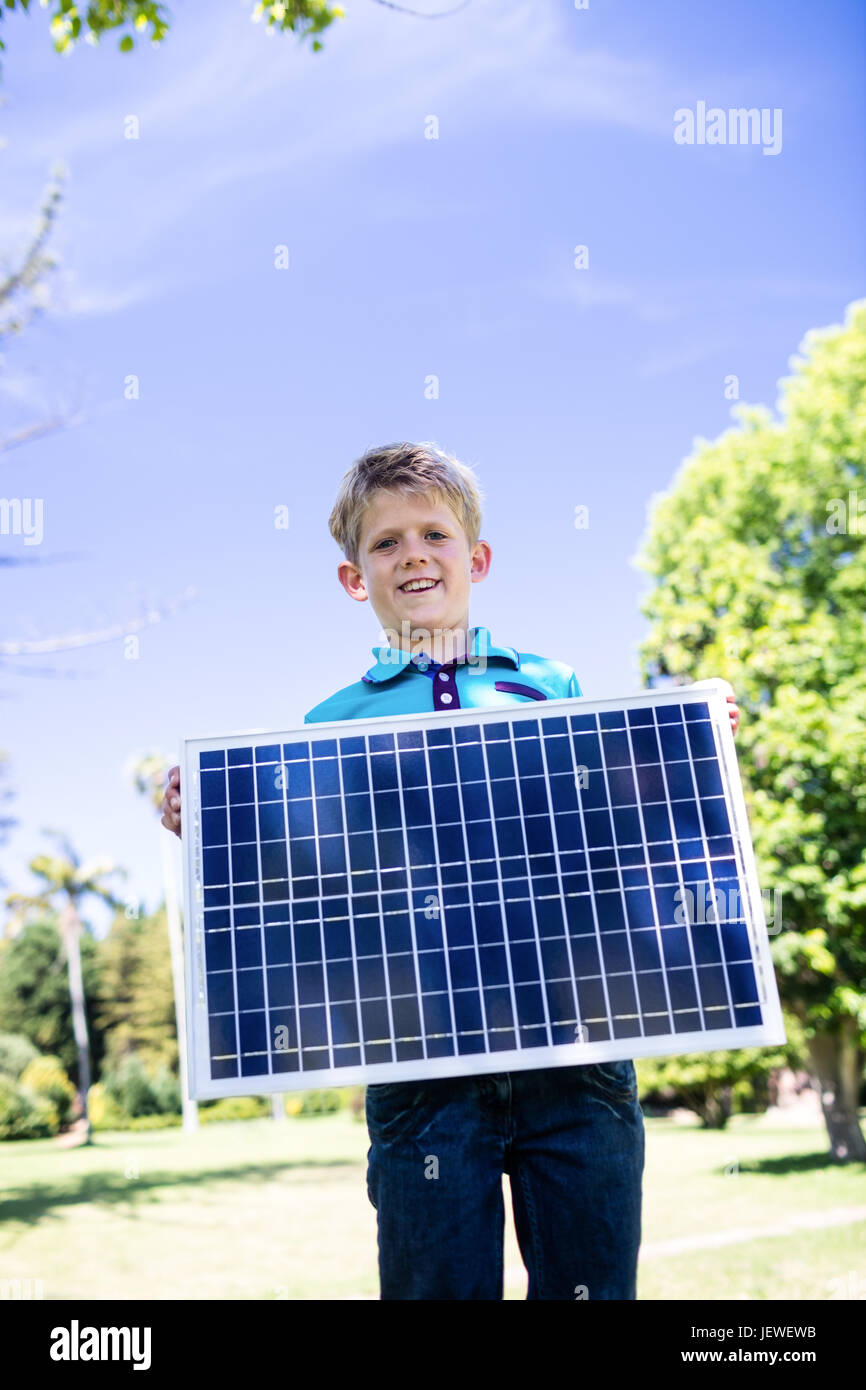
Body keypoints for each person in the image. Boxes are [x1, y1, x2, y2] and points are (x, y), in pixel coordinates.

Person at [162, 441, 740, 1300]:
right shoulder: (329, 724)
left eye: (433, 533)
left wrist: (693, 736)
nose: (413, 555)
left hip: (574, 1055)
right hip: (422, 1069)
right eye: (386, 543)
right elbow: (313, 884)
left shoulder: (553, 685)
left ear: (476, 558)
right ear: (355, 579)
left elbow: (612, 829)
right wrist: (208, 818)